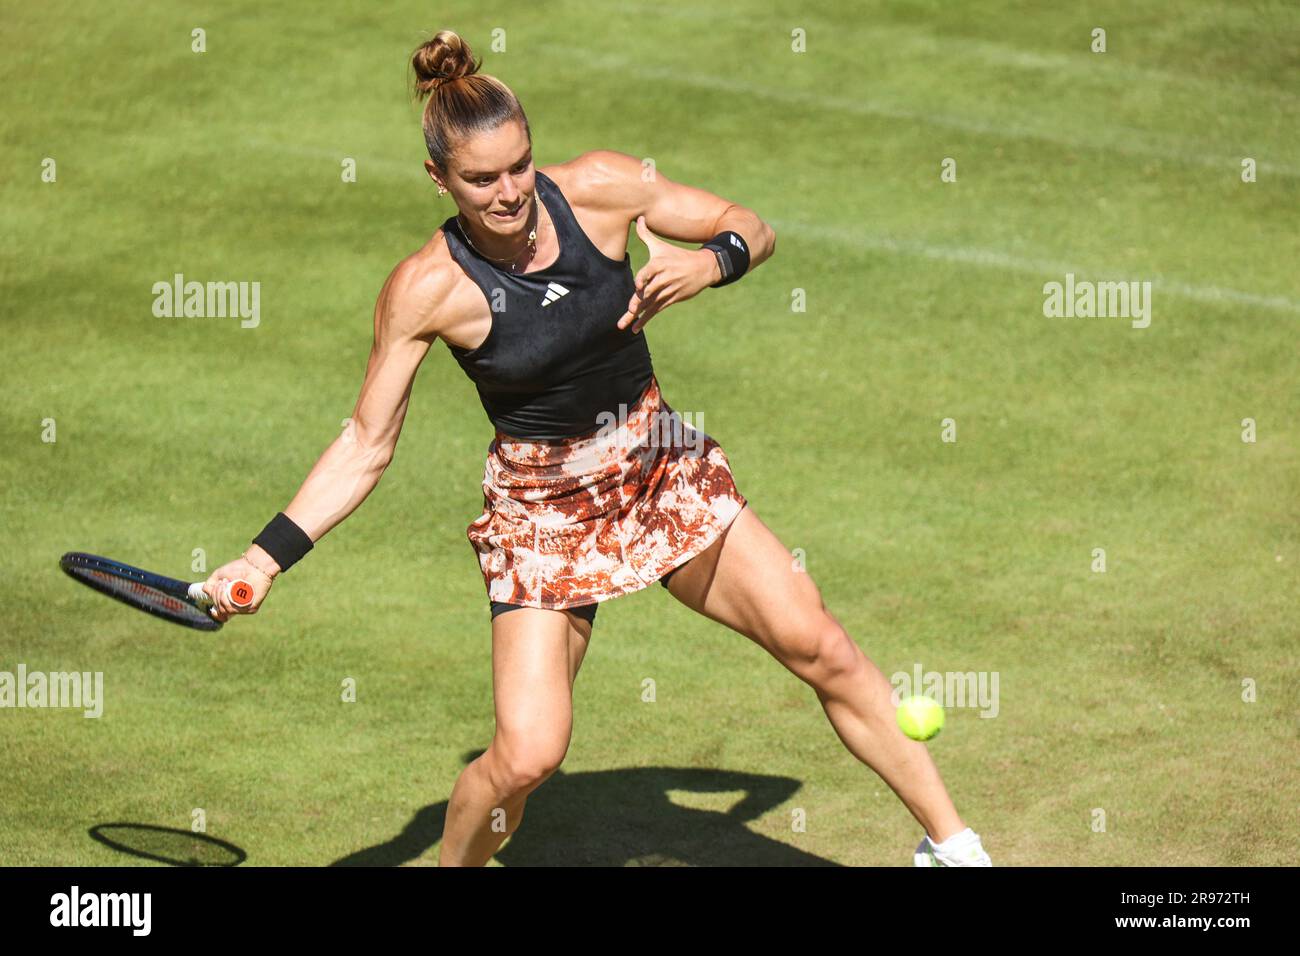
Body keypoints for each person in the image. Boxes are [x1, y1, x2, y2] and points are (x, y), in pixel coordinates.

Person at [201, 29, 991, 868]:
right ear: (439, 177)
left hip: (659, 464)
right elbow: (365, 444)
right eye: (480, 179)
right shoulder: (427, 288)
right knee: (529, 757)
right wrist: (264, 559)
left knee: (820, 645)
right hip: (545, 515)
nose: (508, 192)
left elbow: (750, 226)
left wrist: (710, 265)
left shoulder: (601, 189)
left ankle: (955, 848)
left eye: (518, 166)